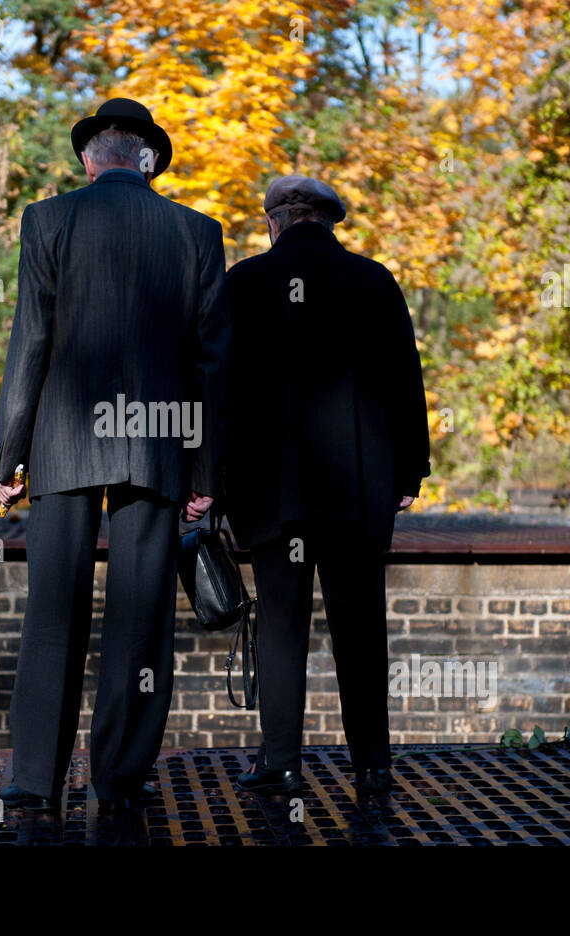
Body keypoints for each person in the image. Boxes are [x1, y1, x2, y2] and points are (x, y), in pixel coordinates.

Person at [0, 98, 230, 811]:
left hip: (63, 439)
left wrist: (10, 456)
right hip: (157, 443)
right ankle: (119, 775)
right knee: (140, 614)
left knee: (52, 613)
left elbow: (30, 341)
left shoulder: (49, 219)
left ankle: (34, 779)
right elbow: (211, 365)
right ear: (147, 161)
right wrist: (203, 471)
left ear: (91, 159)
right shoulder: (196, 232)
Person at [222, 175, 430, 802]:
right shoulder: (374, 281)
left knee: (282, 628)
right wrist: (409, 472)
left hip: (272, 495)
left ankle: (282, 764)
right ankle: (372, 765)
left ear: (275, 221)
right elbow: (404, 382)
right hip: (356, 494)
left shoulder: (244, 284)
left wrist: (211, 481)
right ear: (330, 221)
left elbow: (220, 393)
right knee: (361, 629)